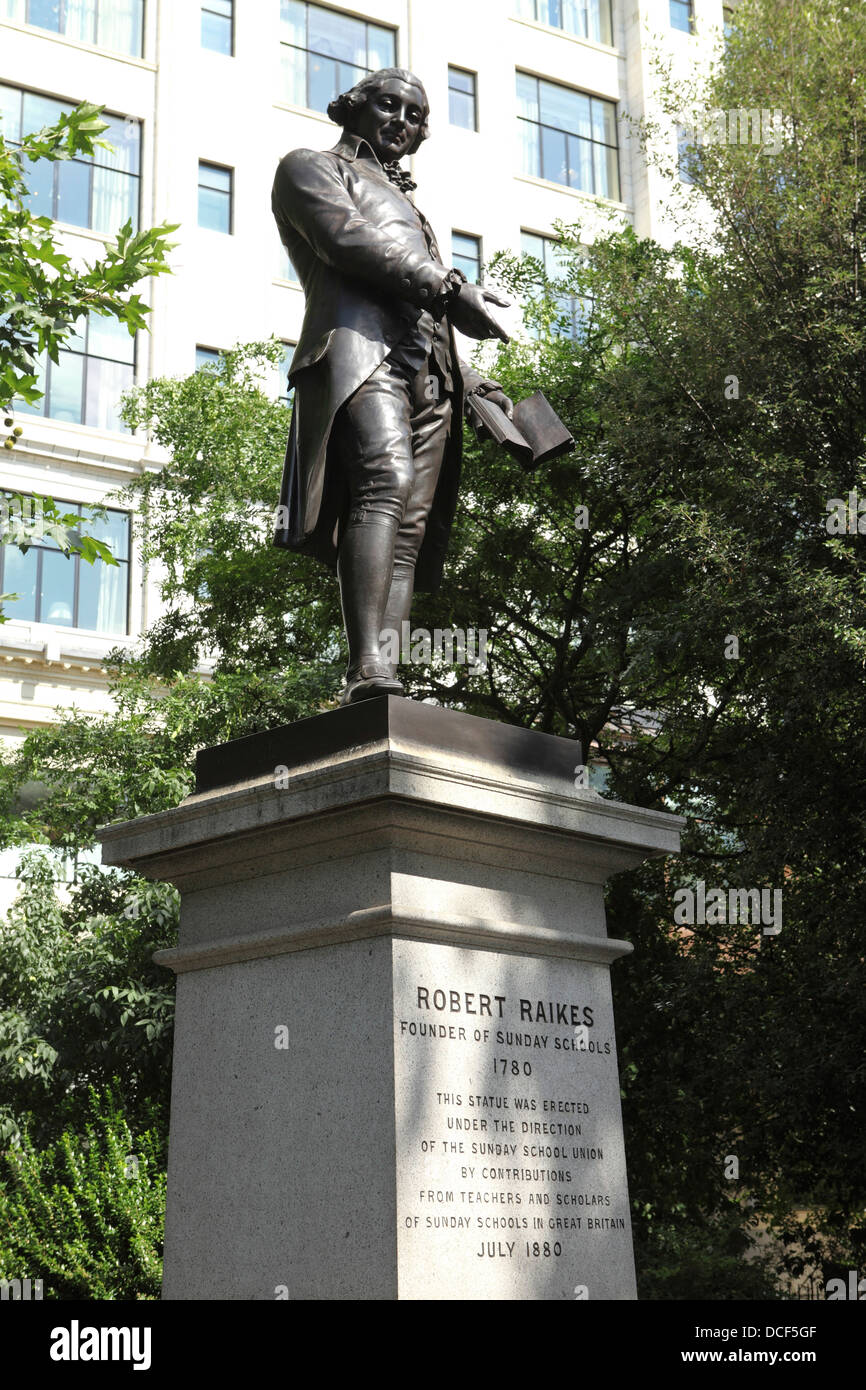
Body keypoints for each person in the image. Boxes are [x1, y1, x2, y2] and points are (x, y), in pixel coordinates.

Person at [272, 67, 512, 704]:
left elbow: (424, 305)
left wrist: (475, 382)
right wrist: (452, 287)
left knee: (411, 521)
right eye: (388, 105)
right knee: (386, 481)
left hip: (431, 375)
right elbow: (346, 241)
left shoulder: (410, 202)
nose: (402, 121)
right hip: (359, 355)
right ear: (353, 108)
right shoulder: (310, 168)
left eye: (415, 114)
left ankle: (385, 672)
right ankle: (365, 671)